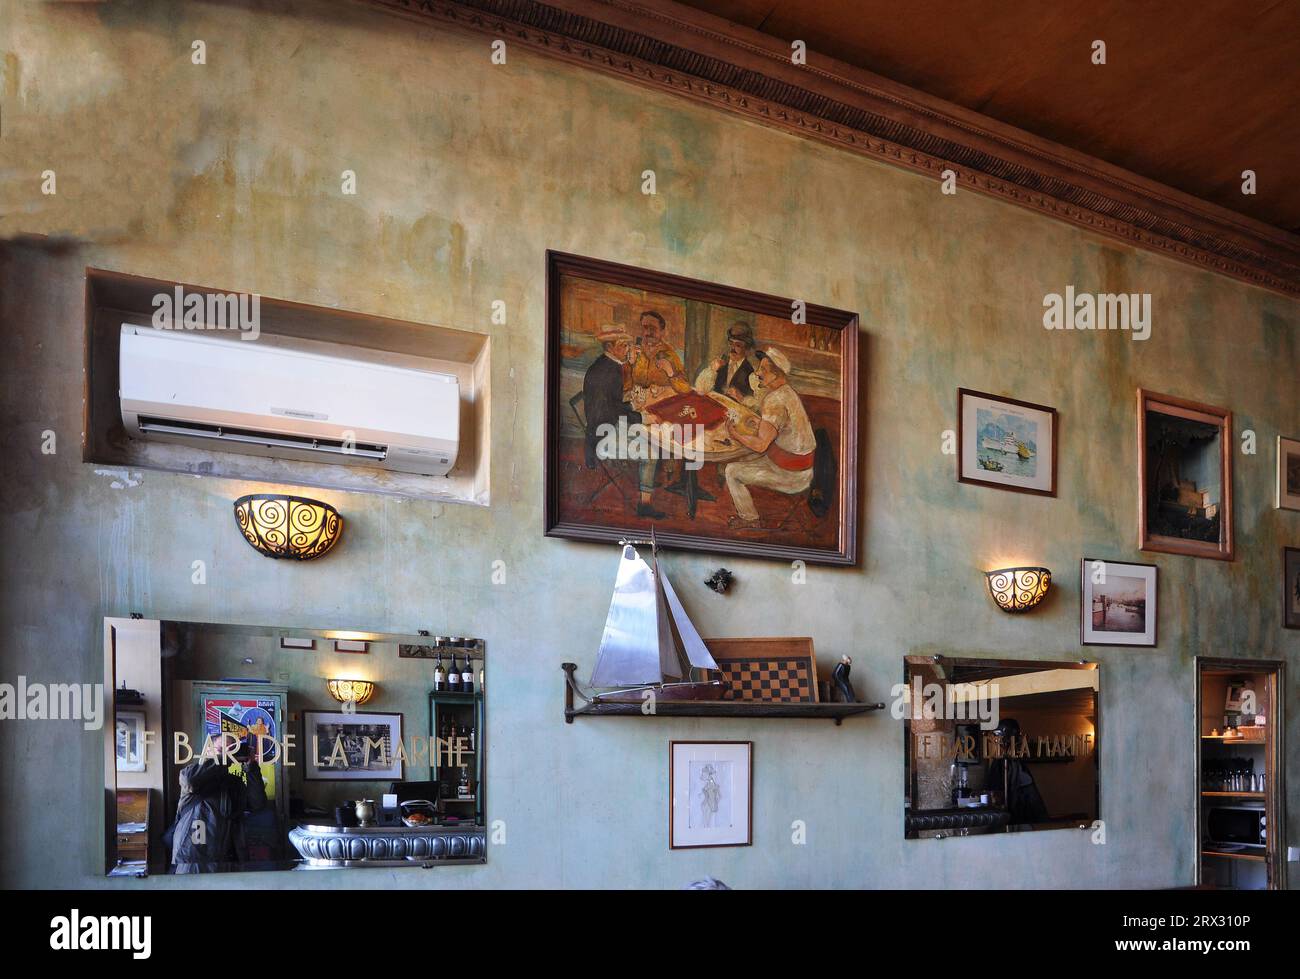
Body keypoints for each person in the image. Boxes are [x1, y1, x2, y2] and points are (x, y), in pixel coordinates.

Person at [721, 347, 815, 529]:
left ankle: (749, 519)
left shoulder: (775, 400)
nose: (757, 373)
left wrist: (734, 434)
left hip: (791, 475)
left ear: (777, 374)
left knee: (731, 470)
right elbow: (777, 429)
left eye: (763, 370)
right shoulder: (788, 392)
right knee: (742, 455)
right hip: (803, 468)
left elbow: (761, 445)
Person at [166, 733, 267, 873]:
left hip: (227, 859)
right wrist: (225, 757)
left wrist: (252, 768)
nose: (228, 755)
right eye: (221, 750)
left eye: (232, 750)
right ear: (208, 750)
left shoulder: (234, 782)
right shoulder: (192, 774)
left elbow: (257, 804)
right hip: (193, 858)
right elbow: (190, 781)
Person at [624, 310, 690, 518]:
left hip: (662, 411)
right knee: (650, 444)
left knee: (675, 433)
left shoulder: (669, 354)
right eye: (645, 327)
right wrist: (629, 364)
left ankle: (667, 474)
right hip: (637, 410)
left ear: (662, 331)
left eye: (653, 328)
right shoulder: (634, 351)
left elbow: (685, 389)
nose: (648, 332)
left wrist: (670, 373)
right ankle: (646, 497)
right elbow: (624, 387)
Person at [580, 327, 640, 470]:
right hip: (603, 429)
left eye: (627, 346)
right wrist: (639, 415)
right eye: (623, 346)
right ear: (609, 347)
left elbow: (611, 402)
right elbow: (610, 410)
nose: (627, 350)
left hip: (599, 423)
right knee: (647, 435)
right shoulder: (608, 371)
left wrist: (631, 405)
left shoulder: (607, 363)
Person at [694, 321, 757, 405]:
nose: (732, 348)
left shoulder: (750, 371)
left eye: (738, 345)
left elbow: (757, 405)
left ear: (746, 348)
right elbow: (700, 389)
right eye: (731, 343)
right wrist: (712, 370)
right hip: (714, 405)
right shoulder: (721, 362)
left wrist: (742, 398)